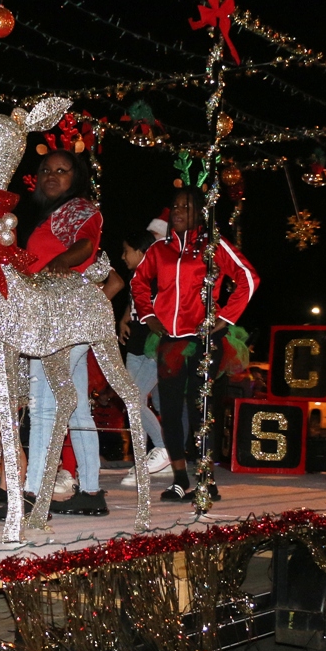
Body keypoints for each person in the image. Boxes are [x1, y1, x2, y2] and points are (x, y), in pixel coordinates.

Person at [131, 186, 258, 501]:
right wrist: (147, 316)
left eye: (185, 206)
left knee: (200, 411)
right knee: (171, 412)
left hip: (202, 341)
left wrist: (225, 319)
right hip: (169, 343)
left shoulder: (212, 246)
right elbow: (138, 281)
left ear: (199, 212)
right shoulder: (159, 249)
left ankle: (206, 480)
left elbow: (248, 278)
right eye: (175, 205)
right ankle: (178, 479)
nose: (177, 211)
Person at [16, 149, 109, 517]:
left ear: (77, 178)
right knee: (76, 411)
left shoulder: (81, 210)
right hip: (59, 312)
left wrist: (60, 262)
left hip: (63, 312)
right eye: (46, 170)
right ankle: (90, 491)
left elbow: (86, 245)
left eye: (62, 170)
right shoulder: (43, 218)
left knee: (43, 402)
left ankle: (33, 492)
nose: (52, 176)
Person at [118, 227, 171, 487]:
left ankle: (164, 449)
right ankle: (146, 461)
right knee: (132, 401)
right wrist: (124, 318)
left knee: (133, 398)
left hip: (154, 345)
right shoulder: (136, 275)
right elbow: (135, 300)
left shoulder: (161, 275)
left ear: (141, 251)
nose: (122, 256)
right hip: (135, 344)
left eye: (127, 251)